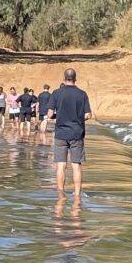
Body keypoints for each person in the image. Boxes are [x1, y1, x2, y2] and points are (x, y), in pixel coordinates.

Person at [50, 65, 91, 207]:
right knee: (76, 165)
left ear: (64, 79)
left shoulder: (56, 93)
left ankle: (61, 195)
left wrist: (57, 115)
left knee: (61, 165)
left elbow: (49, 114)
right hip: (77, 133)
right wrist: (78, 118)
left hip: (61, 133)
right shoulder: (82, 94)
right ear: (75, 79)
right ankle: (77, 194)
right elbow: (88, 115)